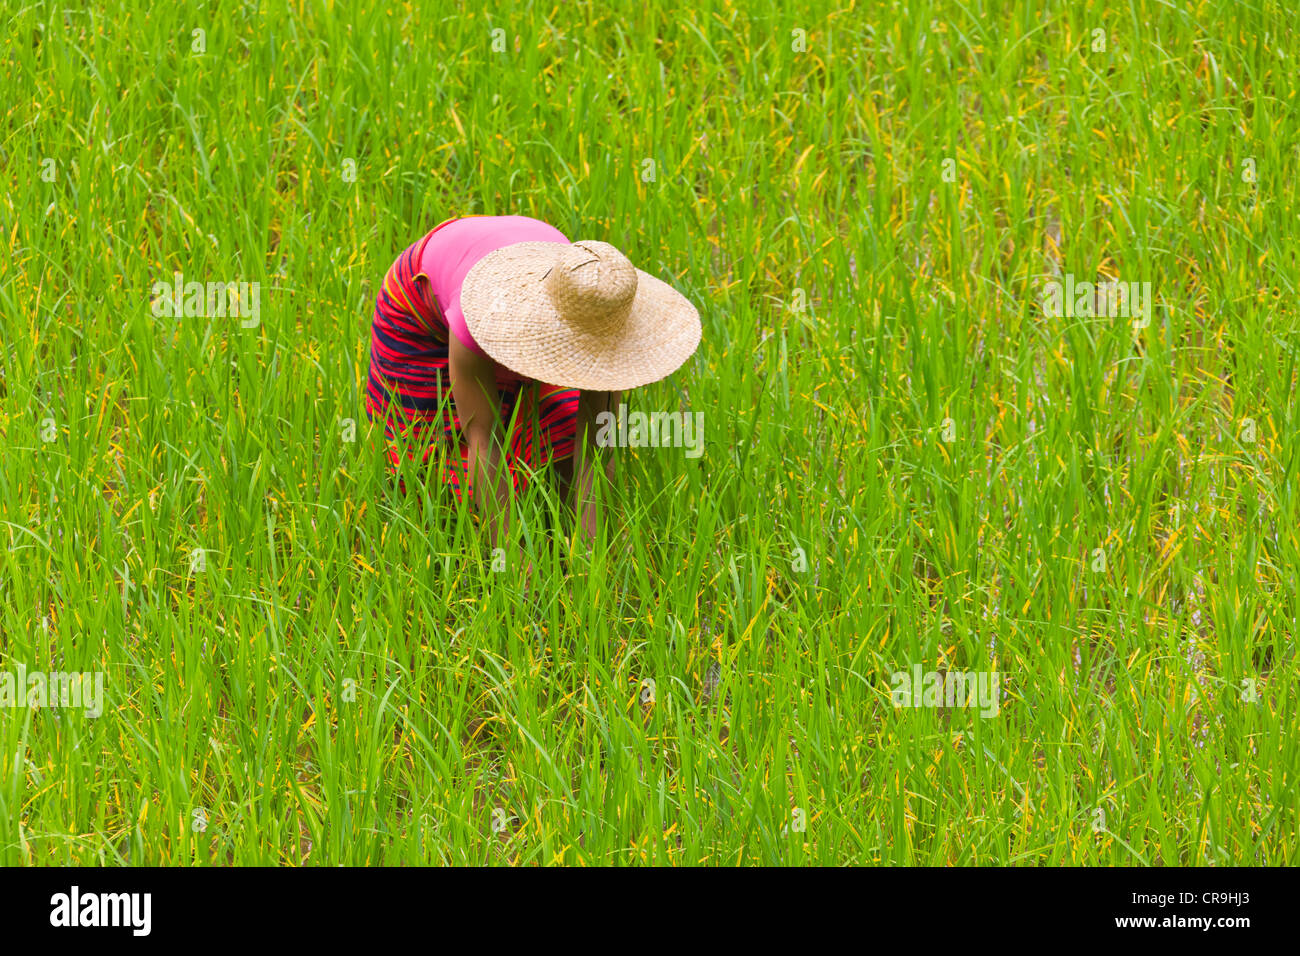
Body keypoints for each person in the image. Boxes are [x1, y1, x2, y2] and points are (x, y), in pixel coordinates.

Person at [365, 214, 701, 565]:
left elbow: (597, 439)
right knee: (435, 466)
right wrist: (515, 567)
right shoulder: (475, 310)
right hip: (422, 322)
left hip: (525, 289)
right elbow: (483, 437)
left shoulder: (596, 298)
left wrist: (593, 560)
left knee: (562, 431)